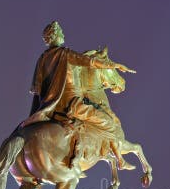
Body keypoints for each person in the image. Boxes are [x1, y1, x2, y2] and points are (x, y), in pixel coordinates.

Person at [19, 21, 135, 169]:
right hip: (72, 105)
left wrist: (35, 115)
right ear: (54, 36)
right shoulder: (64, 54)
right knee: (110, 124)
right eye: (60, 32)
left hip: (50, 108)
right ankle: (119, 159)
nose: (63, 34)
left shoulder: (42, 60)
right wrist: (114, 65)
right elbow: (89, 62)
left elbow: (37, 92)